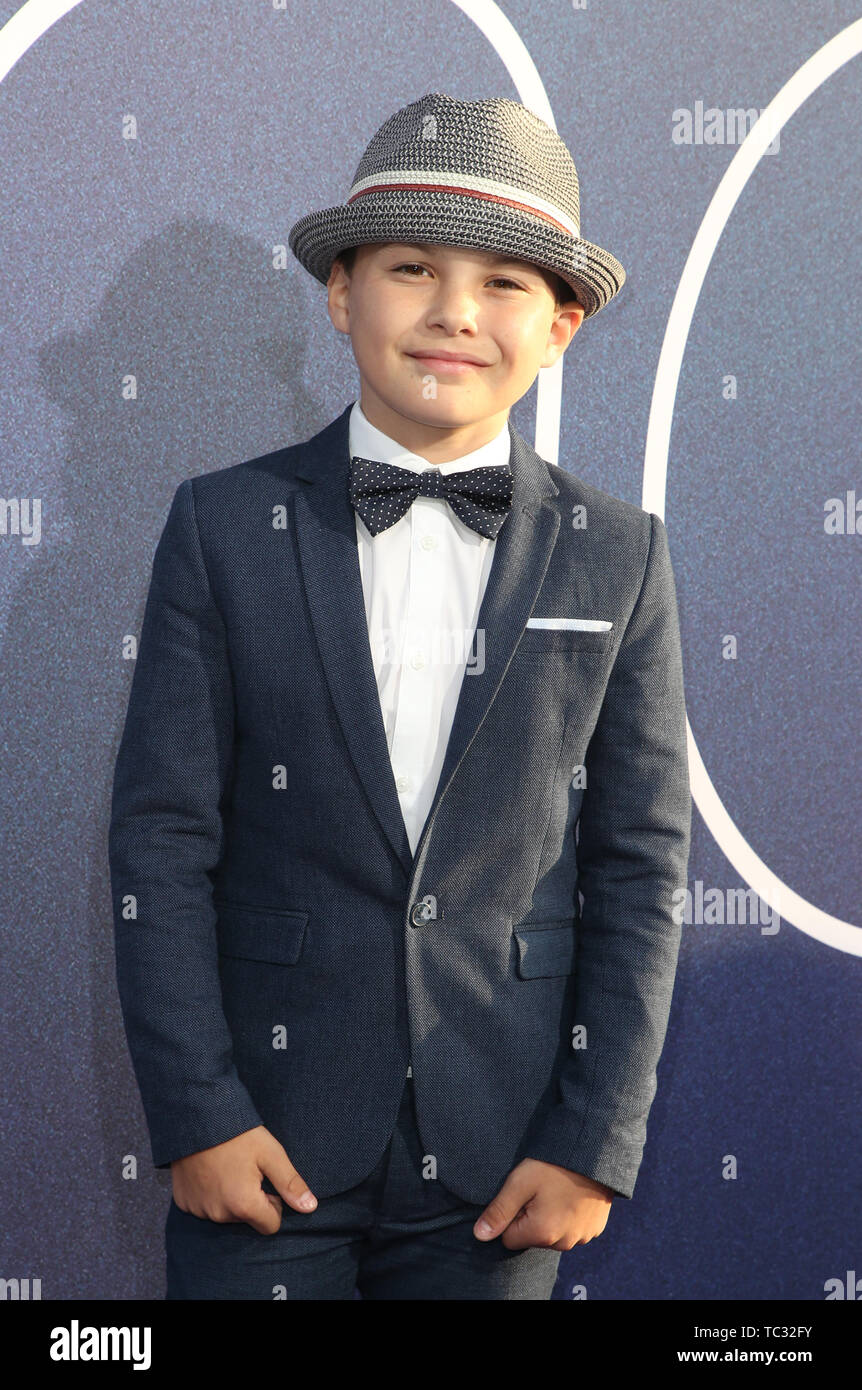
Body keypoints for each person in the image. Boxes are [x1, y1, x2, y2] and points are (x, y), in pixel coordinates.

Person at [109, 92, 691, 1300]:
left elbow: (639, 864)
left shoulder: (617, 553)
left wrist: (591, 1139)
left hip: (506, 1157)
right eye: (411, 268)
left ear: (563, 324)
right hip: (261, 1148)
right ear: (340, 294)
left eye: (505, 285)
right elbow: (161, 841)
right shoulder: (223, 527)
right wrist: (197, 1110)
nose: (452, 315)